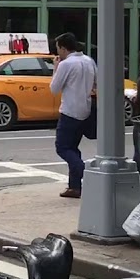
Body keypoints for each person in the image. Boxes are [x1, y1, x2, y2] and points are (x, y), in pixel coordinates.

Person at [50, 32, 97, 199]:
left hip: (70, 110)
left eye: (58, 48)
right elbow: (96, 83)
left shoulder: (66, 64)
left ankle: (86, 173)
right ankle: (74, 186)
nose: (58, 52)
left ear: (63, 48)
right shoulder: (89, 61)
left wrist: (55, 69)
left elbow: (54, 89)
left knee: (62, 147)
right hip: (86, 109)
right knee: (73, 148)